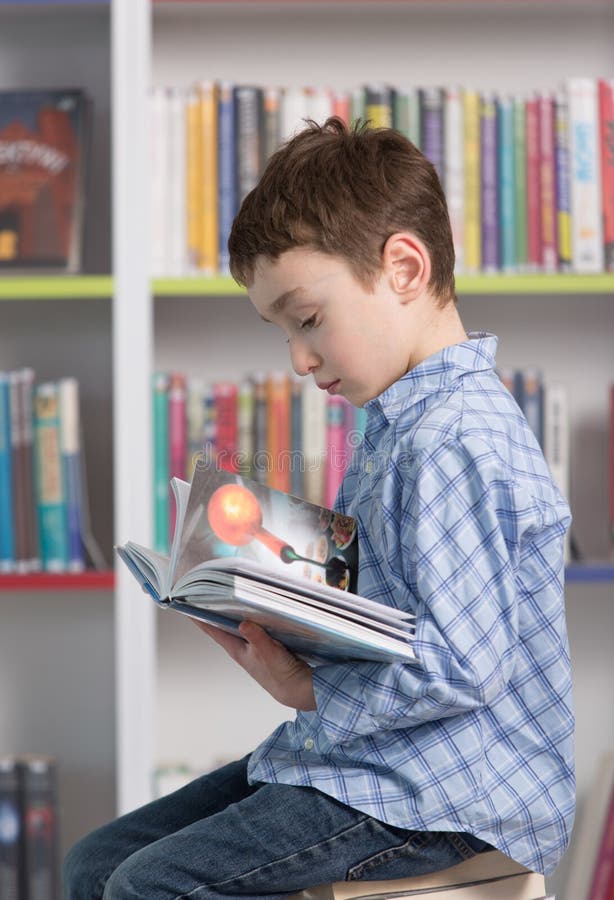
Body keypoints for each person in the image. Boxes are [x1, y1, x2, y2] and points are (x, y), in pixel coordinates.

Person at [63, 118, 574, 899]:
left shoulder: (453, 439)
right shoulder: (398, 425)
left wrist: (308, 690)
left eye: (306, 320)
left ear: (404, 268)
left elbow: (462, 665)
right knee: (94, 865)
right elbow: (384, 602)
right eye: (284, 333)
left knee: (147, 885)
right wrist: (276, 581)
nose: (299, 359)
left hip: (444, 791)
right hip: (374, 761)